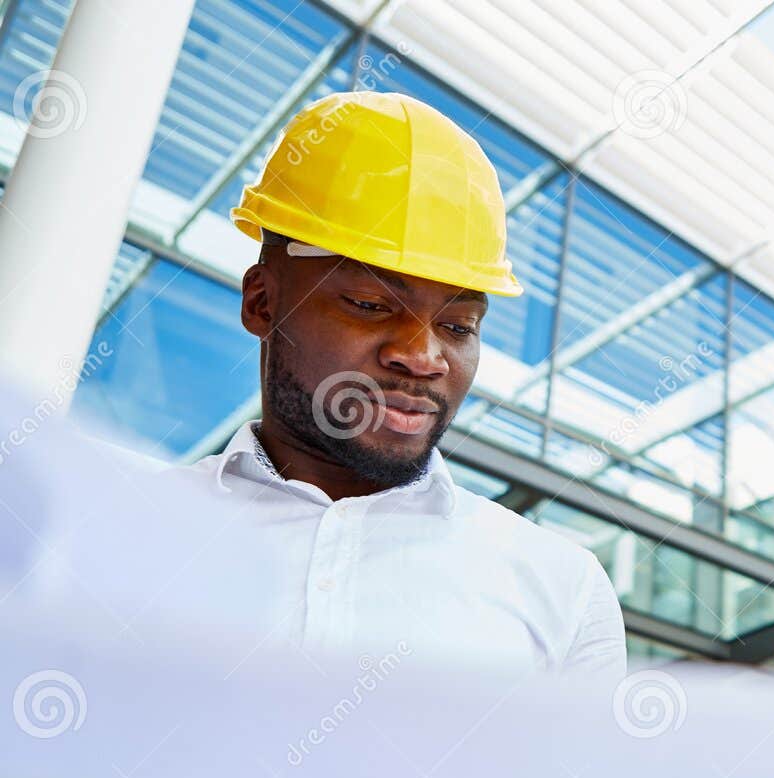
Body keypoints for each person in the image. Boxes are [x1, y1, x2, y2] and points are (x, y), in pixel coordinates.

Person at [87, 91, 625, 678]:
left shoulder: (560, 589)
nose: (422, 356)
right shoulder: (112, 528)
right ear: (263, 302)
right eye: (370, 304)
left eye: (457, 325)